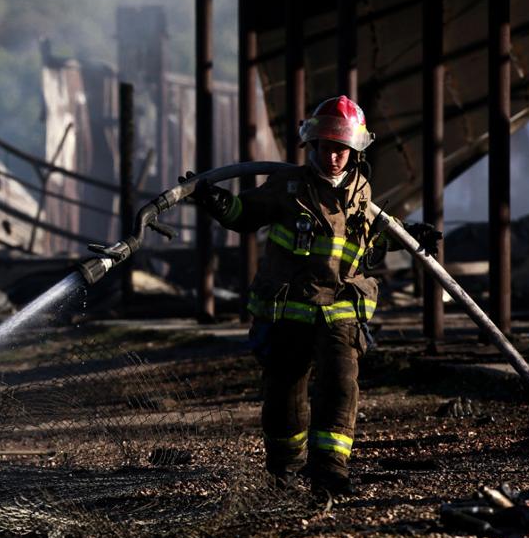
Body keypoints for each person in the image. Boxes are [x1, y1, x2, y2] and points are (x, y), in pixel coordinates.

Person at [182, 95, 439, 496]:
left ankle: (330, 471)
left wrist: (407, 236)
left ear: (354, 150)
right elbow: (244, 214)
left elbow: (370, 239)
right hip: (289, 310)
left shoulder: (361, 191)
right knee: (285, 396)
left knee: (340, 384)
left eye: (341, 149)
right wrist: (216, 202)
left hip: (341, 309)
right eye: (326, 147)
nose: (333, 157)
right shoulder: (288, 186)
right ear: (313, 145)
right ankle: (284, 471)